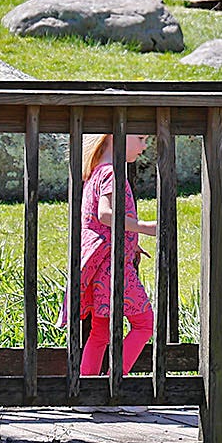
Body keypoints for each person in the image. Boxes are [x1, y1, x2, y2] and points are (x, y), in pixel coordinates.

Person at [63, 132, 158, 391]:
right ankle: (115, 386)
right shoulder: (111, 173)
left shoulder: (96, 173)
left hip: (102, 266)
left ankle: (86, 391)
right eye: (140, 138)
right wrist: (144, 228)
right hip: (113, 268)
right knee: (144, 323)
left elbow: (97, 223)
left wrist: (132, 241)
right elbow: (105, 215)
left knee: (100, 331)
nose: (144, 145)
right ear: (117, 137)